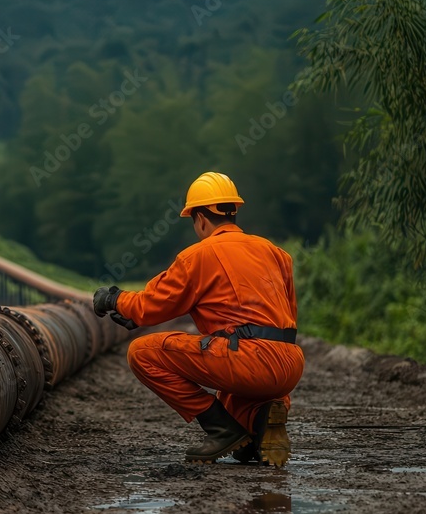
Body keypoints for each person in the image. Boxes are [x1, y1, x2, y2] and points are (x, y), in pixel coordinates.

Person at [93, 172, 304, 467]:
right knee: (232, 395)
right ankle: (262, 421)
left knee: (142, 353)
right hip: (289, 366)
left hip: (250, 361)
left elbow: (151, 306)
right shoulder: (276, 253)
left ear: (201, 218)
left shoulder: (199, 256)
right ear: (233, 211)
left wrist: (114, 299)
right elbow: (288, 318)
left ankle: (222, 431)